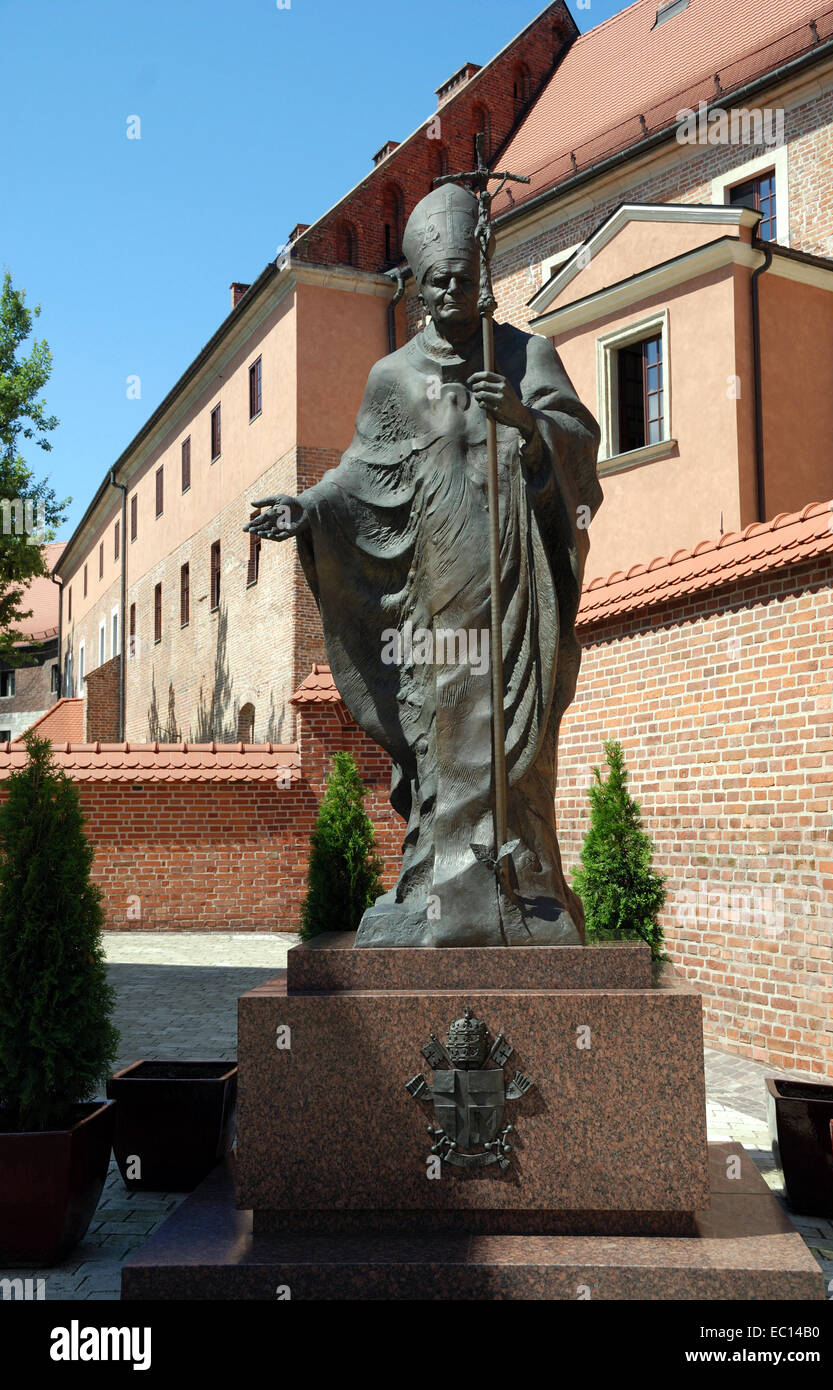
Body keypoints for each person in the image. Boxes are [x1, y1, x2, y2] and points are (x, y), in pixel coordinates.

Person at [245, 182, 602, 946]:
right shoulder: (394, 379)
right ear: (414, 285)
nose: (448, 290)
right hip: (436, 591)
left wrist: (526, 422)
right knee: (446, 737)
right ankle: (440, 892)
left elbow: (578, 446)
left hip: (514, 584)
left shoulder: (524, 353)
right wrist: (309, 509)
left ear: (483, 279)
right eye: (435, 279)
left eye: (461, 279)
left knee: (516, 744)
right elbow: (362, 477)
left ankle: (523, 889)